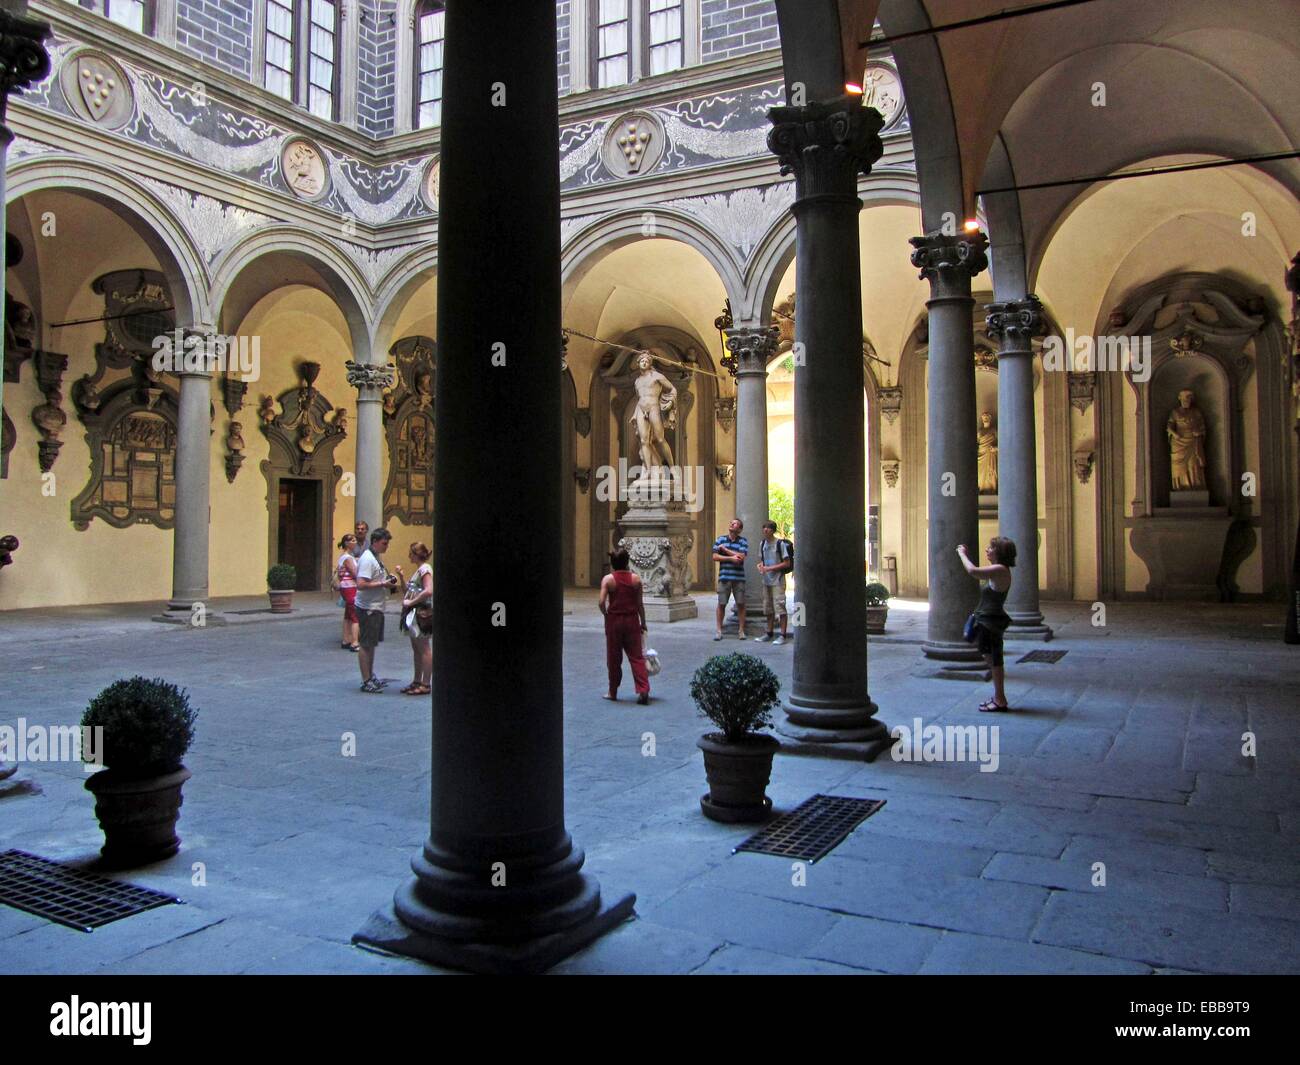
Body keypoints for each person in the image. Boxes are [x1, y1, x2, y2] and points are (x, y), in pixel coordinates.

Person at [957, 537, 1016, 712]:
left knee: (994, 661)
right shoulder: (999, 570)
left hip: (991, 622)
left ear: (999, 552)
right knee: (992, 659)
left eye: (991, 547)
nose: (987, 550)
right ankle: (999, 697)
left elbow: (972, 571)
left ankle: (1000, 699)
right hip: (989, 620)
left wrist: (962, 553)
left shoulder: (999, 569)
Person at [599, 548, 649, 704]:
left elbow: (601, 602)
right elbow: (640, 604)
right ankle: (643, 689)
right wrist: (643, 622)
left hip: (614, 621)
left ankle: (612, 691)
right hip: (631, 620)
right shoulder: (636, 580)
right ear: (627, 562)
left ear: (613, 563)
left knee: (613, 658)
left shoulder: (608, 580)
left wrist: (606, 613)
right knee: (637, 657)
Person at [354, 528, 399, 693]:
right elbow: (361, 584)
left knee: (371, 644)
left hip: (375, 607)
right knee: (366, 645)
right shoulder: (367, 559)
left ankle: (370, 676)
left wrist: (385, 580)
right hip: (368, 608)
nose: (386, 546)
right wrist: (383, 584)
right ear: (375, 542)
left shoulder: (374, 557)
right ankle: (366, 680)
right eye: (384, 543)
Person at [400, 542, 433, 696]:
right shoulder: (419, 570)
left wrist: (411, 602)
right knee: (417, 648)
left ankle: (425, 683)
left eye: (411, 553)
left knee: (424, 648)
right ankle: (417, 680)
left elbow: (428, 590)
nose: (409, 556)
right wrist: (401, 577)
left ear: (416, 554)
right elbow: (410, 590)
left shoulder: (425, 569)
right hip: (414, 612)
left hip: (421, 612)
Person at [756, 520, 792, 645]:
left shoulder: (780, 544)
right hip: (766, 580)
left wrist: (769, 568)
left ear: (773, 530)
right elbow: (762, 561)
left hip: (778, 580)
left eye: (769, 528)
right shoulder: (762, 544)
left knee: (780, 607)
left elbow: (787, 563)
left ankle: (782, 635)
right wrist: (761, 566)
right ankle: (769, 632)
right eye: (764, 527)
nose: (766, 530)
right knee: (768, 608)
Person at [712, 518, 748, 641]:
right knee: (721, 604)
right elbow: (715, 556)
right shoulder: (720, 539)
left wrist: (726, 550)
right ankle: (718, 630)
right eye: (731, 523)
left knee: (741, 604)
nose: (732, 524)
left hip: (739, 578)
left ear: (740, 529)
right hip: (724, 576)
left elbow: (742, 557)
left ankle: (741, 630)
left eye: (735, 524)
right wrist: (731, 558)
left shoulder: (743, 541)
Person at [333, 533, 360, 652]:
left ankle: (345, 639)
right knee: (355, 616)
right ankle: (354, 642)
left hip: (346, 588)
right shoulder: (348, 558)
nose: (355, 542)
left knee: (348, 615)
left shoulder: (346, 557)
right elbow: (355, 574)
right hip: (350, 588)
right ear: (347, 543)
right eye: (353, 540)